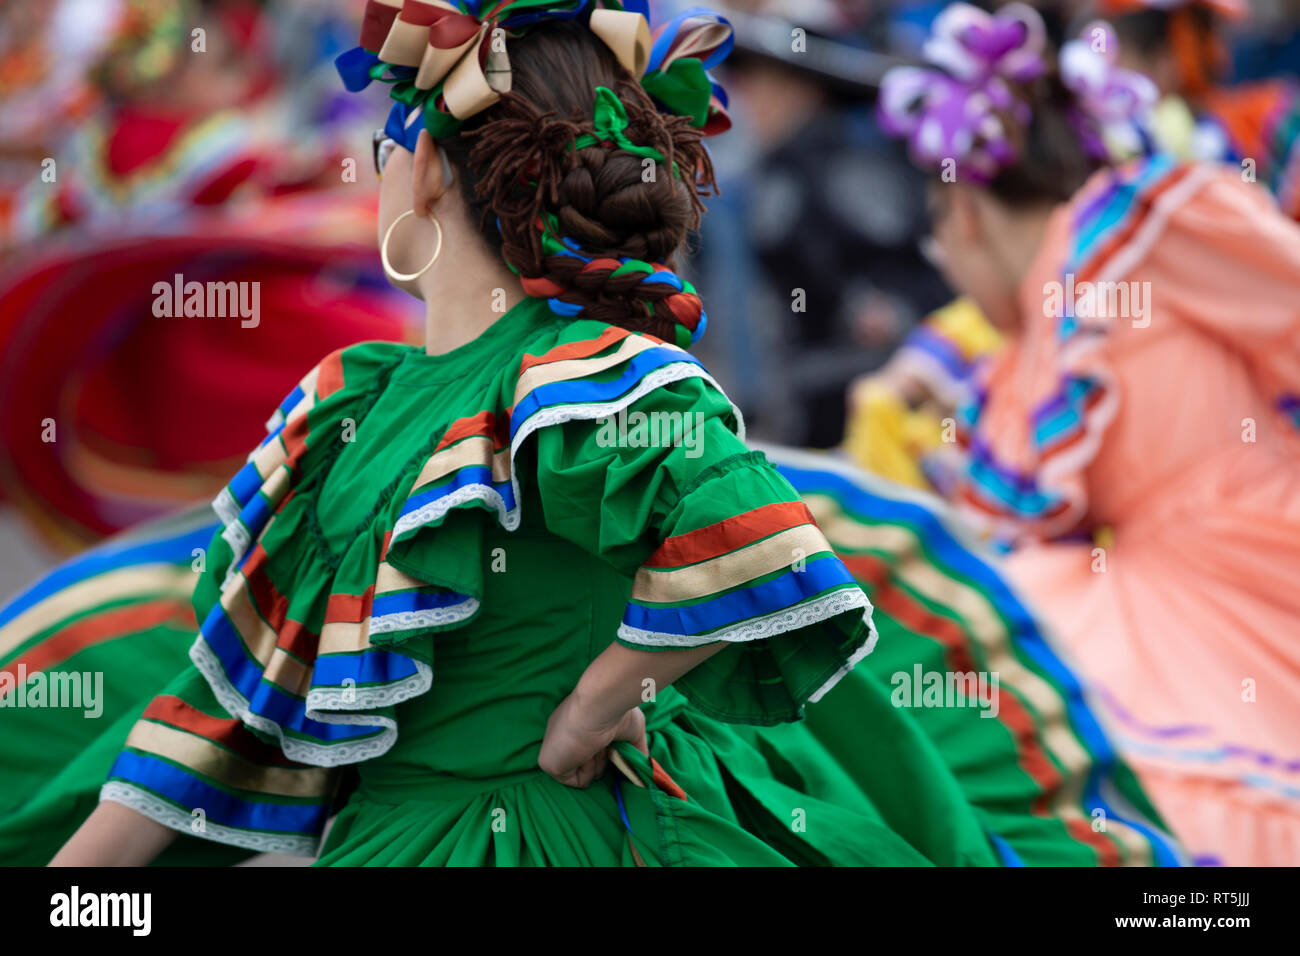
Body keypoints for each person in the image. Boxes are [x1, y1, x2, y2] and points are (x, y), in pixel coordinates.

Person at [7, 0, 1178, 868]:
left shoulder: (578, 379)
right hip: (402, 836)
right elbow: (230, 714)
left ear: (417, 178)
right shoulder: (350, 403)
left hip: (579, 832)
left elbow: (758, 540)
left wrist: (601, 696)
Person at [878, 1, 1300, 865]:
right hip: (1163, 597)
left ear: (962, 215)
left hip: (1260, 561)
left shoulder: (1143, 224)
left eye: (937, 235)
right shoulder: (1015, 364)